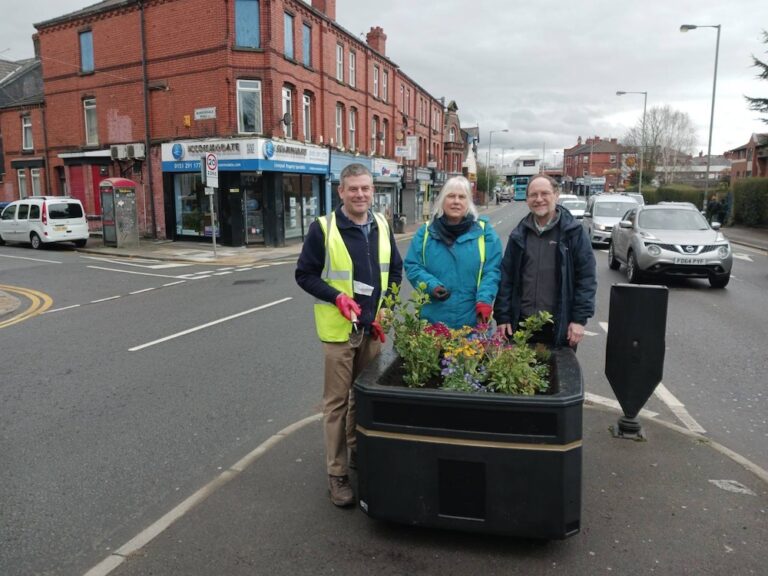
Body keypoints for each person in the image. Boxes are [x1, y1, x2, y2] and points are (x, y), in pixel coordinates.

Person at [295, 163, 403, 507]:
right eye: (353, 188)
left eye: (365, 188)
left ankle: (356, 451)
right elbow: (304, 275)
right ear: (340, 191)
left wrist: (387, 308)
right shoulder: (323, 229)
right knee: (337, 404)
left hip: (371, 329)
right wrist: (336, 297)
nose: (360, 194)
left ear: (373, 191)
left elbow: (395, 271)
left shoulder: (381, 224)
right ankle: (337, 473)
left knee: (363, 397)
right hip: (339, 334)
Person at [494, 174, 596, 348]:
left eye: (544, 193)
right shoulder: (519, 234)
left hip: (559, 327)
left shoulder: (573, 232)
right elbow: (506, 278)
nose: (539, 199)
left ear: (556, 195)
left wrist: (579, 319)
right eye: (533, 195)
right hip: (521, 326)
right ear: (527, 199)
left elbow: (586, 278)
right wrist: (502, 317)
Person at [404, 175, 502, 329]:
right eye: (451, 196)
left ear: (468, 202)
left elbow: (492, 271)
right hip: (433, 325)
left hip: (473, 323)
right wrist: (432, 286)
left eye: (462, 197)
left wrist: (485, 300)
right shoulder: (425, 232)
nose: (456, 201)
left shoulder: (485, 233)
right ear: (442, 200)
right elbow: (413, 266)